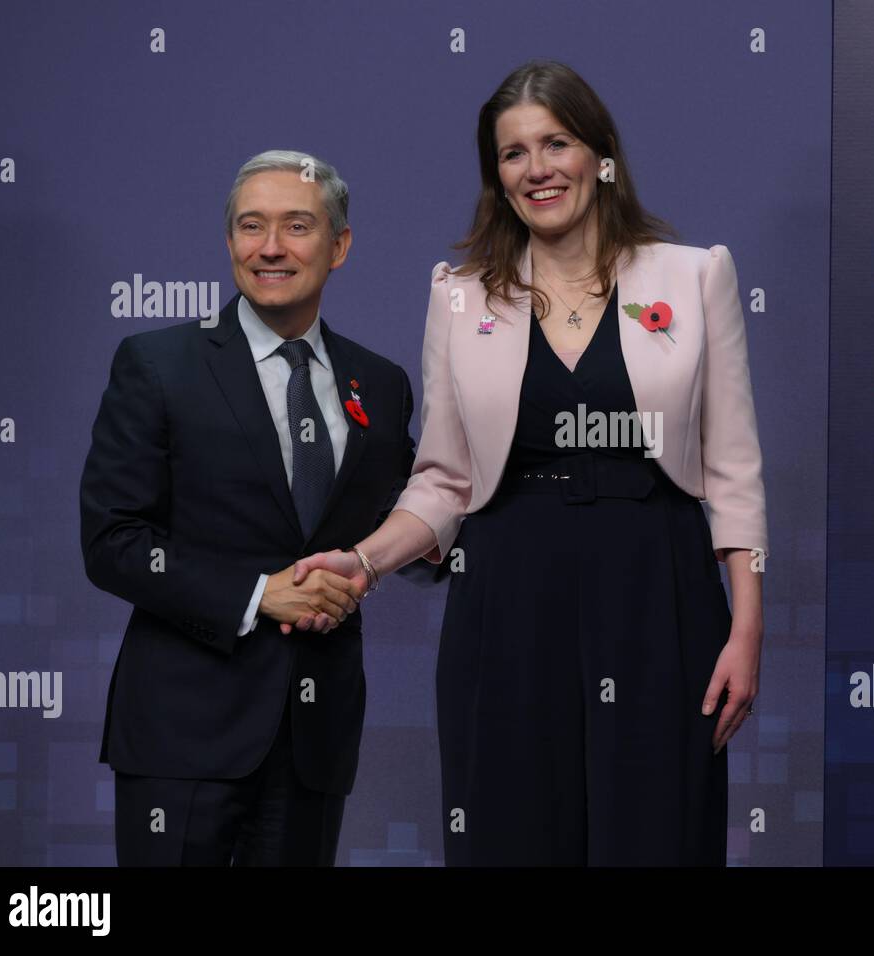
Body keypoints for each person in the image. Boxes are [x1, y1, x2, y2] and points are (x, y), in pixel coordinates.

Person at [292, 60, 768, 865]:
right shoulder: (461, 295)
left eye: (556, 143)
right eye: (514, 153)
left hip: (658, 591)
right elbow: (444, 480)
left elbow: (733, 469)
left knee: (657, 834)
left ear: (601, 155)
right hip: (508, 597)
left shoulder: (694, 276)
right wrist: (364, 563)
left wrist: (747, 627)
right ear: (497, 176)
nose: (537, 168)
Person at [79, 149, 420, 865]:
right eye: (250, 226)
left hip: (314, 742)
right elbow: (112, 539)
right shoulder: (157, 363)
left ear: (340, 245)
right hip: (182, 735)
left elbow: (414, 516)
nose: (270, 247)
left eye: (297, 226)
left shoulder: (379, 385)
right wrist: (260, 594)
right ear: (230, 241)